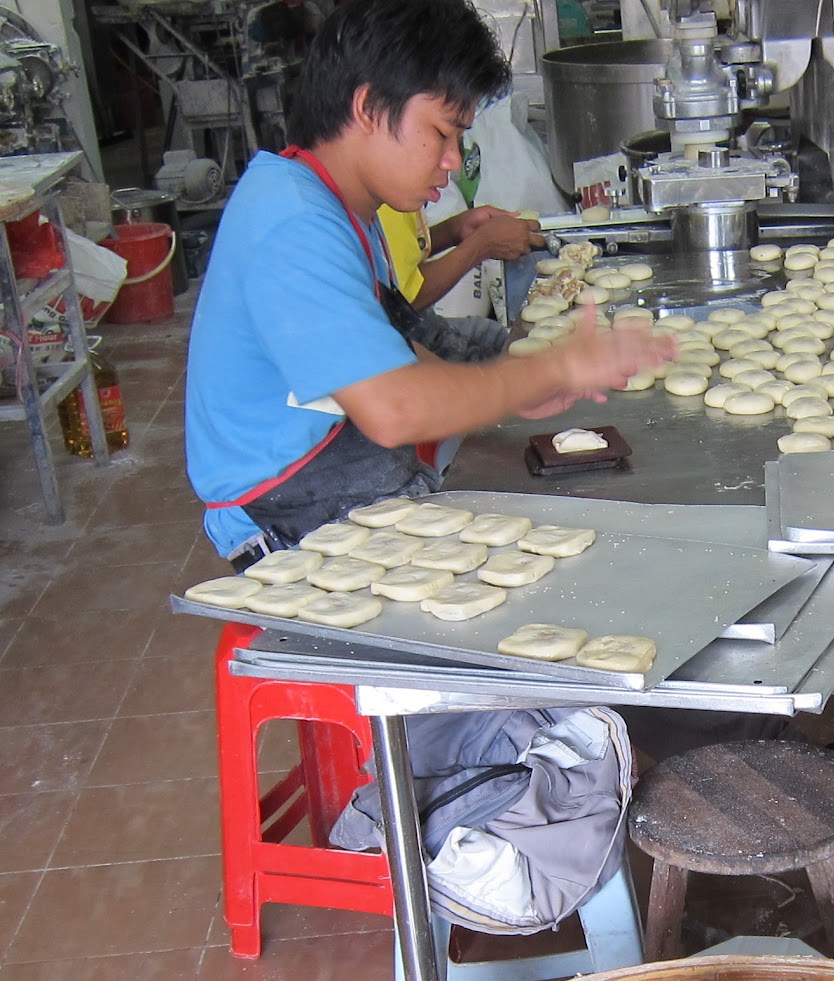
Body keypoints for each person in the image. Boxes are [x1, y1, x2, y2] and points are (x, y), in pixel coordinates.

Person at [184, 0, 673, 567]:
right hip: (285, 512)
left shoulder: (333, 203)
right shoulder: (295, 224)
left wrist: (510, 385)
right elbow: (392, 408)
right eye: (442, 132)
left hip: (334, 467)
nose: (450, 160)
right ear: (368, 106)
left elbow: (389, 350)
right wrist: (550, 367)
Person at [378, 202, 540, 312]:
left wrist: (453, 231)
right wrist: (481, 245)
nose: (453, 162)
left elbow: (399, 257)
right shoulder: (385, 208)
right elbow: (406, 300)